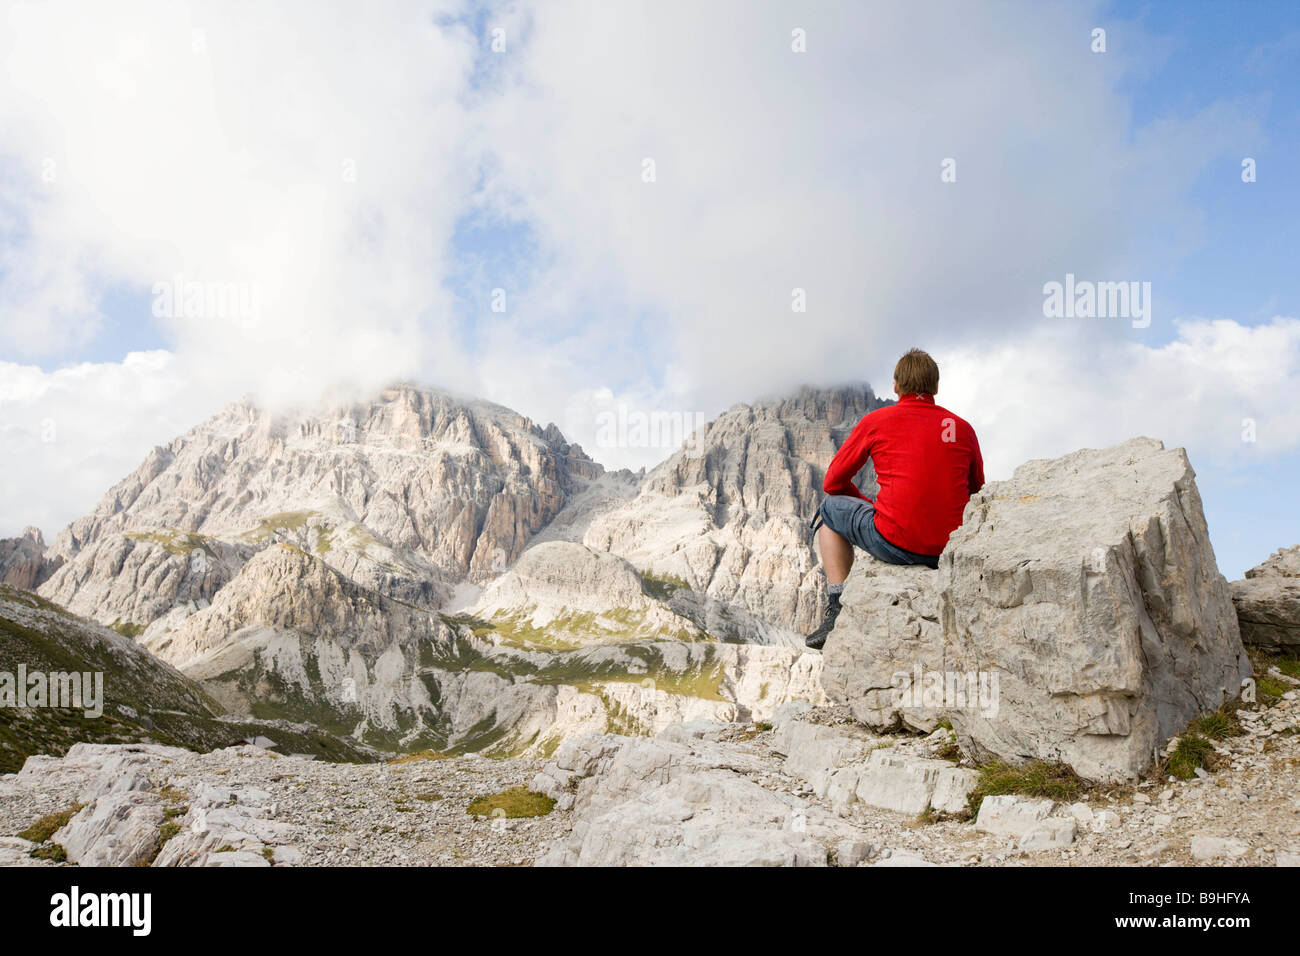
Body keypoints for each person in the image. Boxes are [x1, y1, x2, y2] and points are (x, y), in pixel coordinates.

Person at [805, 348, 984, 649]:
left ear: (896, 386)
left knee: (829, 509)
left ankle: (836, 606)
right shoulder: (961, 429)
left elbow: (833, 483)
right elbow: (977, 490)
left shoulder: (878, 421)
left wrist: (869, 506)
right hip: (948, 549)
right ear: (936, 387)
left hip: (895, 543)